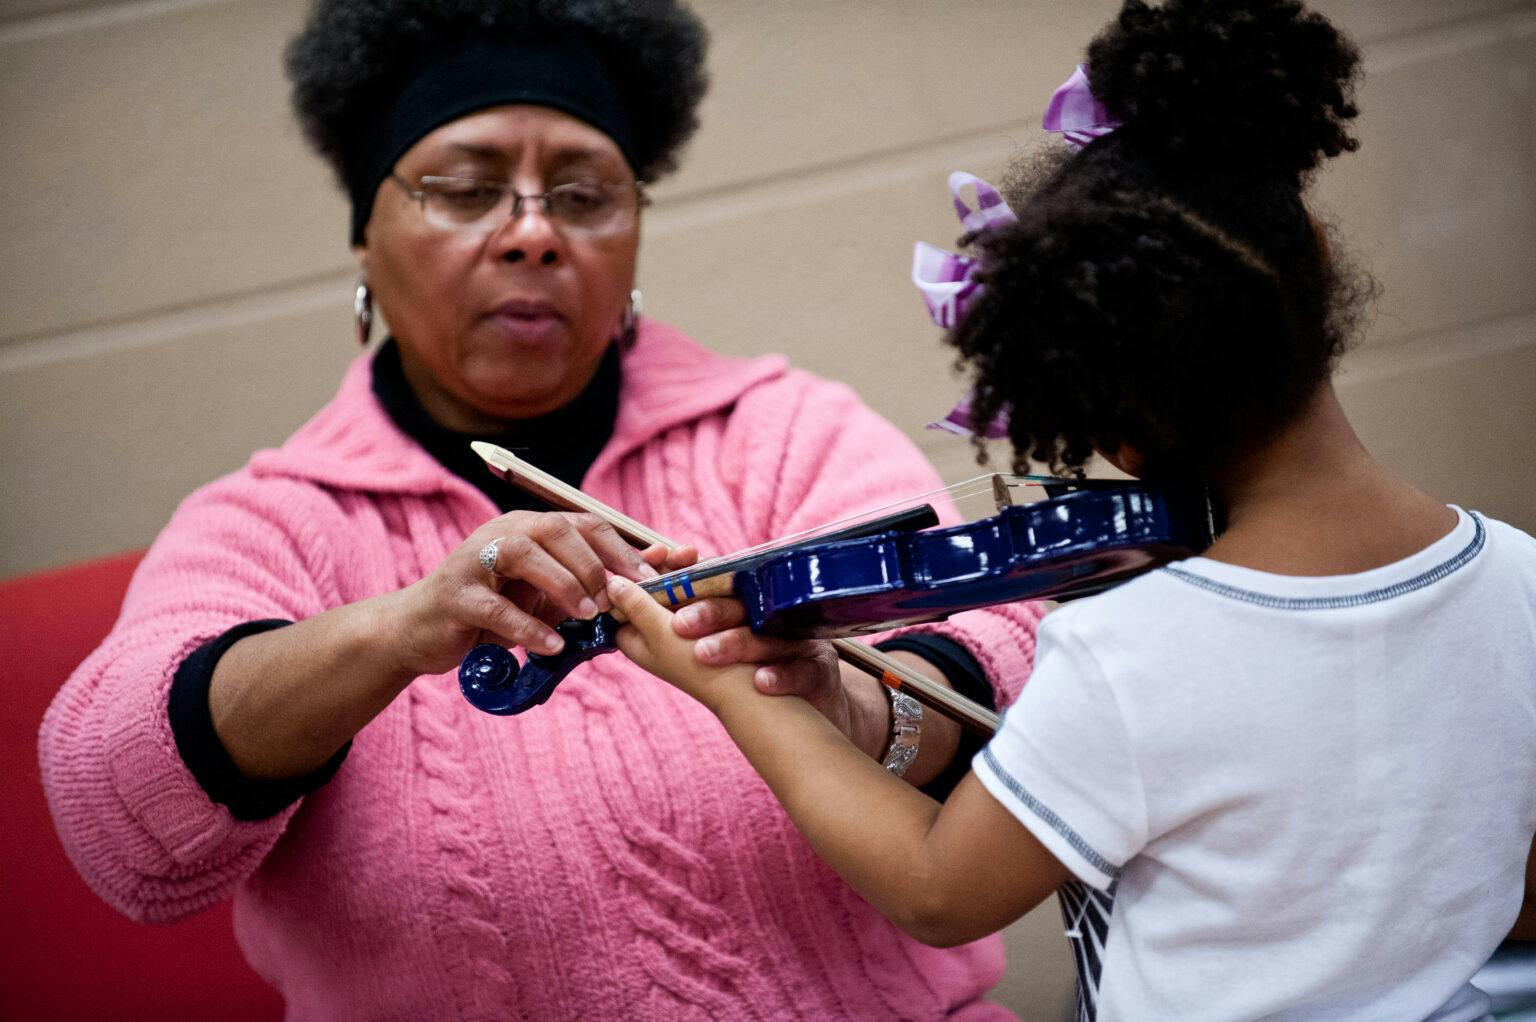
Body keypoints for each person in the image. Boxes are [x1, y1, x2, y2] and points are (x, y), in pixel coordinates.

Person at [38, 1, 1043, 1018]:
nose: (532, 232)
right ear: (363, 237)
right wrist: (394, 631)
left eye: (585, 194)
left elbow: (1010, 653)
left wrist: (859, 712)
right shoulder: (270, 520)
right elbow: (117, 819)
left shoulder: (782, 428)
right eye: (467, 190)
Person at [607, 1, 1536, 1018]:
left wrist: (741, 693)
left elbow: (937, 886)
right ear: (1312, 258)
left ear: (1109, 421)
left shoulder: (1133, 650)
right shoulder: (1521, 579)